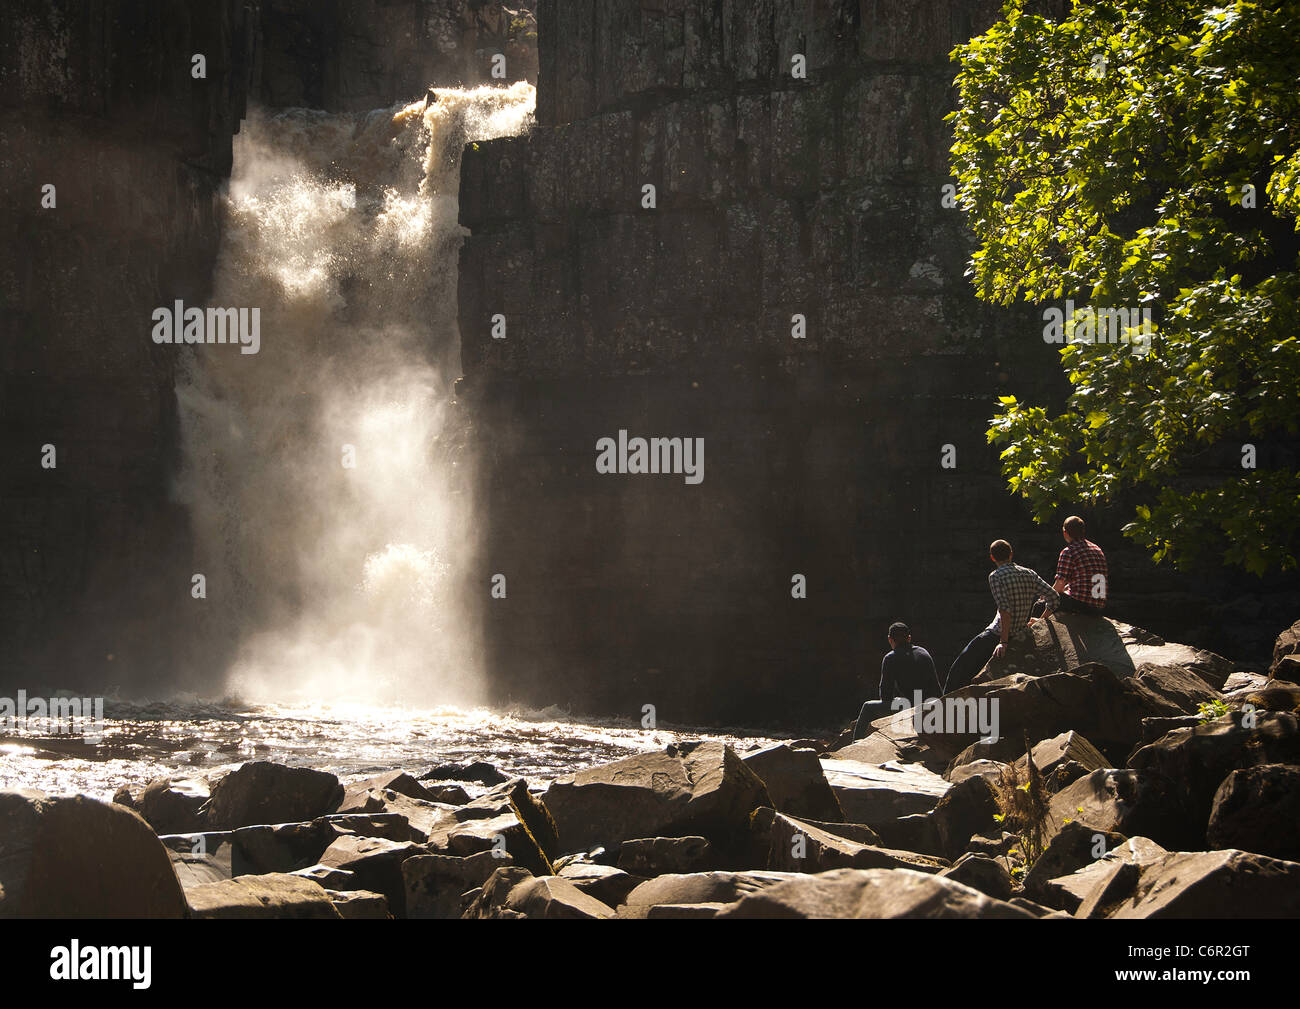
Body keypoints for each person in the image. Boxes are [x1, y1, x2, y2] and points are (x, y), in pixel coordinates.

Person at [945, 539, 1059, 693]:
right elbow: (1054, 597)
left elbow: (1005, 610)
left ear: (992, 557)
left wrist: (1003, 642)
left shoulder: (996, 576)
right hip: (1020, 632)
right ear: (1011, 554)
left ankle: (943, 704)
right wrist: (1040, 620)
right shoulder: (1029, 574)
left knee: (960, 668)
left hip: (998, 633)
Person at [852, 622, 941, 740]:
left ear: (890, 639)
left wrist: (897, 699)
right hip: (933, 706)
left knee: (868, 706)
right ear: (909, 638)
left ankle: (856, 743)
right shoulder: (924, 653)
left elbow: (885, 696)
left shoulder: (890, 658)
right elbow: (936, 685)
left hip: (912, 708)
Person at [1051, 515, 1108, 614]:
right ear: (1083, 531)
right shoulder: (1097, 549)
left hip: (1081, 605)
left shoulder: (1069, 551)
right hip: (1099, 606)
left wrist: (1045, 596)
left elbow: (1059, 585)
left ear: (1065, 533)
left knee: (1041, 604)